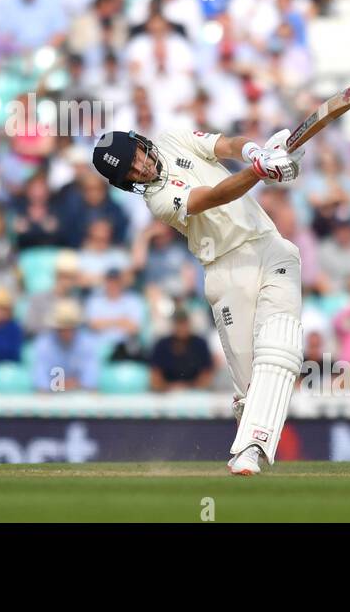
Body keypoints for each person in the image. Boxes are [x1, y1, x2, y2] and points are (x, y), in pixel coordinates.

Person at [91, 121, 303, 475]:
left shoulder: (172, 137)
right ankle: (249, 437)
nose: (140, 168)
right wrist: (260, 170)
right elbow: (215, 196)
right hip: (225, 269)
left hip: (270, 245)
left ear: (140, 143)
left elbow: (228, 145)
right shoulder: (157, 201)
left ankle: (249, 449)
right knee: (251, 384)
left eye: (137, 157)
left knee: (280, 347)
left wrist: (254, 152)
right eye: (130, 171)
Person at [149, 309, 215, 390]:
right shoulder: (162, 345)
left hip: (196, 393)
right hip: (166, 395)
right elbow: (155, 376)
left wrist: (188, 388)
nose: (181, 327)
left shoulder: (200, 344)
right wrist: (170, 388)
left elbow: (207, 375)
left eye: (184, 323)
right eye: (178, 323)